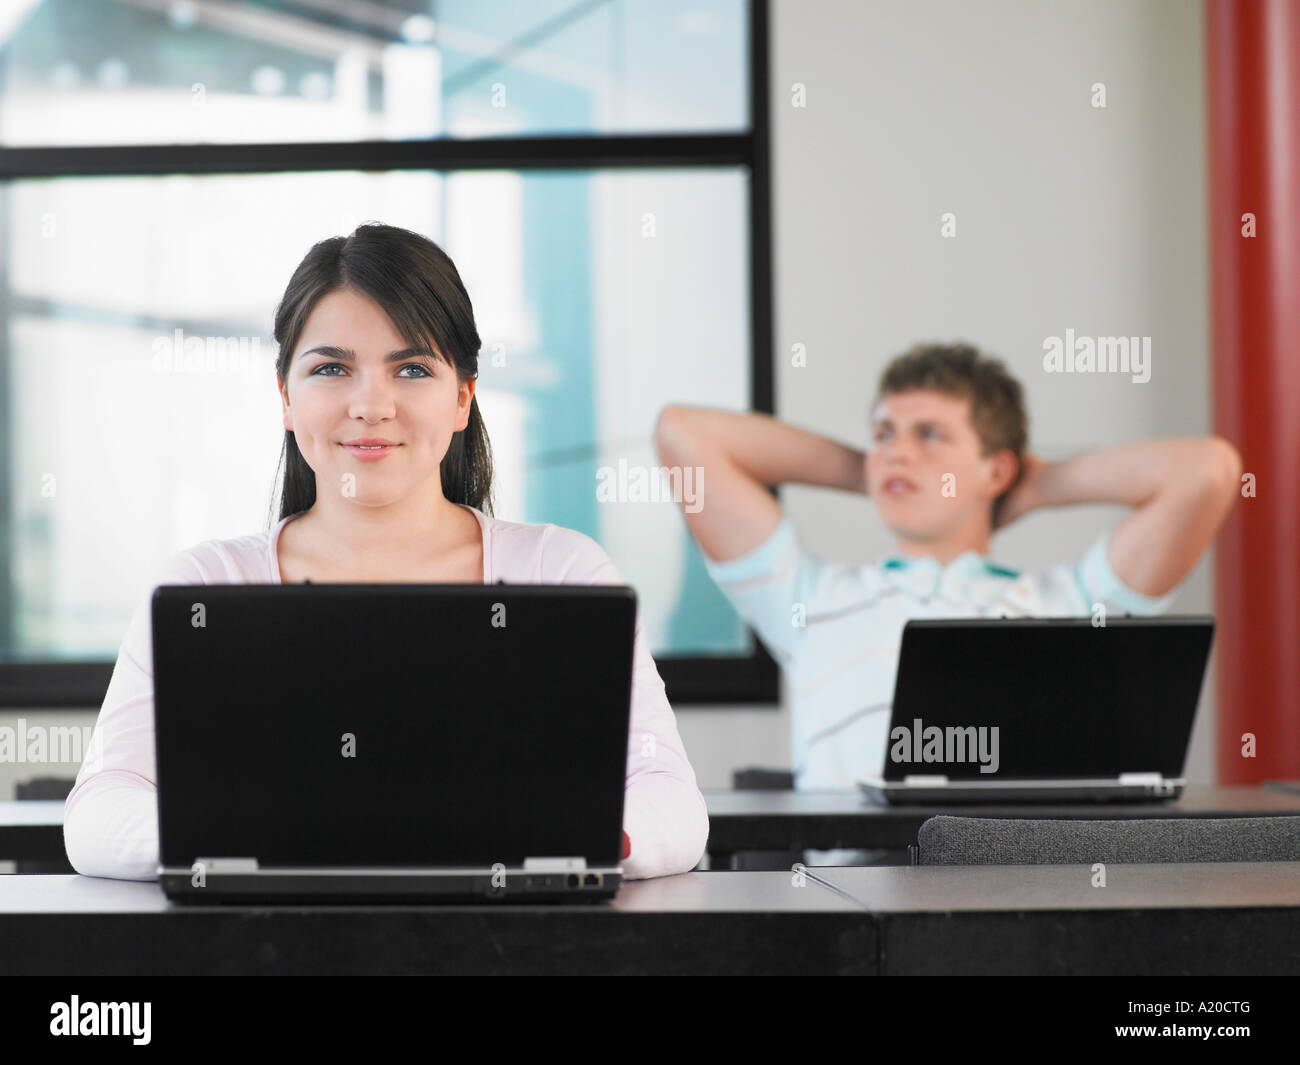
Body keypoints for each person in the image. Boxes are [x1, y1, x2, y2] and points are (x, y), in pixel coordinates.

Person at [64, 222, 708, 882]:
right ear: (286, 396)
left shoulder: (562, 572)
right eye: (331, 368)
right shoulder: (206, 585)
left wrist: (582, 837)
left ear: (463, 396)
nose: (372, 405)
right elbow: (97, 813)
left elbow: (671, 798)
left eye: (411, 368)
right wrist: (262, 839)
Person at [655, 342, 1242, 792]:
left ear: (997, 471)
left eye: (929, 434)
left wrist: (1033, 487)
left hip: (1010, 899)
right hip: (854, 908)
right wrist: (877, 471)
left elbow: (1208, 471)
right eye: (883, 434)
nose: (897, 449)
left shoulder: (1068, 603)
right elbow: (682, 434)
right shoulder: (808, 597)